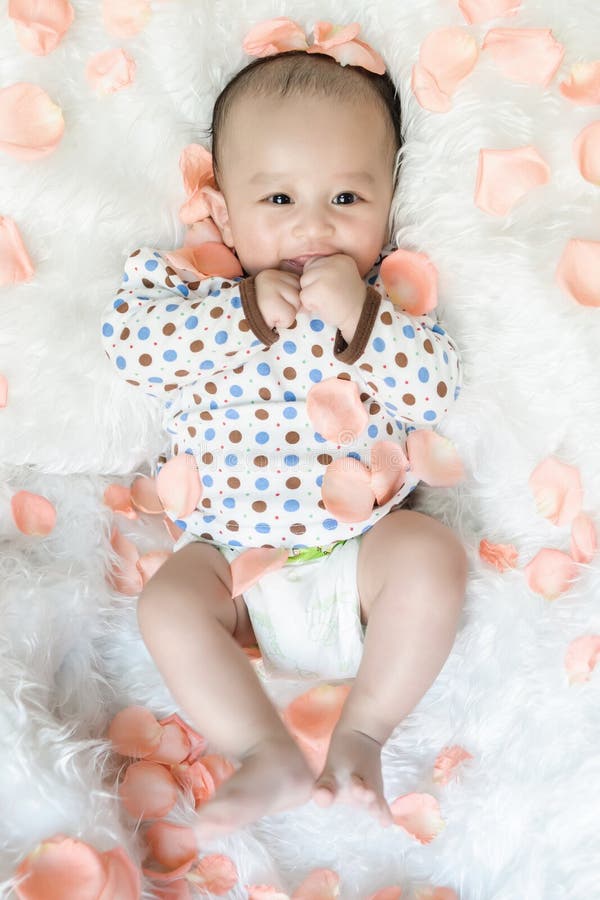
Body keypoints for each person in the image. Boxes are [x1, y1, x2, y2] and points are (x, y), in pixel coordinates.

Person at [101, 18, 468, 842]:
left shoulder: (390, 301)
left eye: (347, 198)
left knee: (432, 558)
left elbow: (436, 387)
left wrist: (366, 322)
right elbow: (131, 345)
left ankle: (362, 736)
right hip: (229, 563)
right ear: (224, 212)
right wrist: (237, 315)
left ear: (387, 204)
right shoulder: (196, 296)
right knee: (167, 606)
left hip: (360, 554)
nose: (314, 226)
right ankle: (261, 747)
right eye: (279, 199)